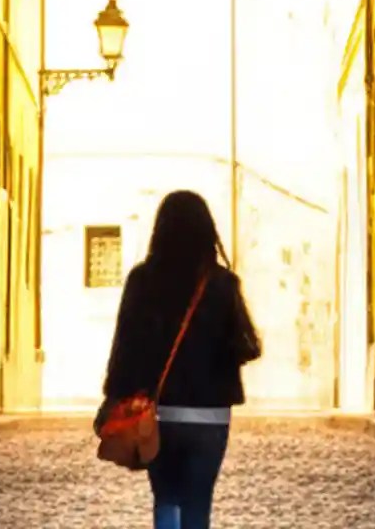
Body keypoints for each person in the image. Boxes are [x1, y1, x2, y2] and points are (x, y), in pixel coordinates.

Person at [97, 190, 262, 529]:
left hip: (160, 413)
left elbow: (125, 347)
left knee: (167, 497)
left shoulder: (142, 281)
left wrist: (113, 396)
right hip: (211, 415)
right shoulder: (222, 283)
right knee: (198, 502)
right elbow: (246, 346)